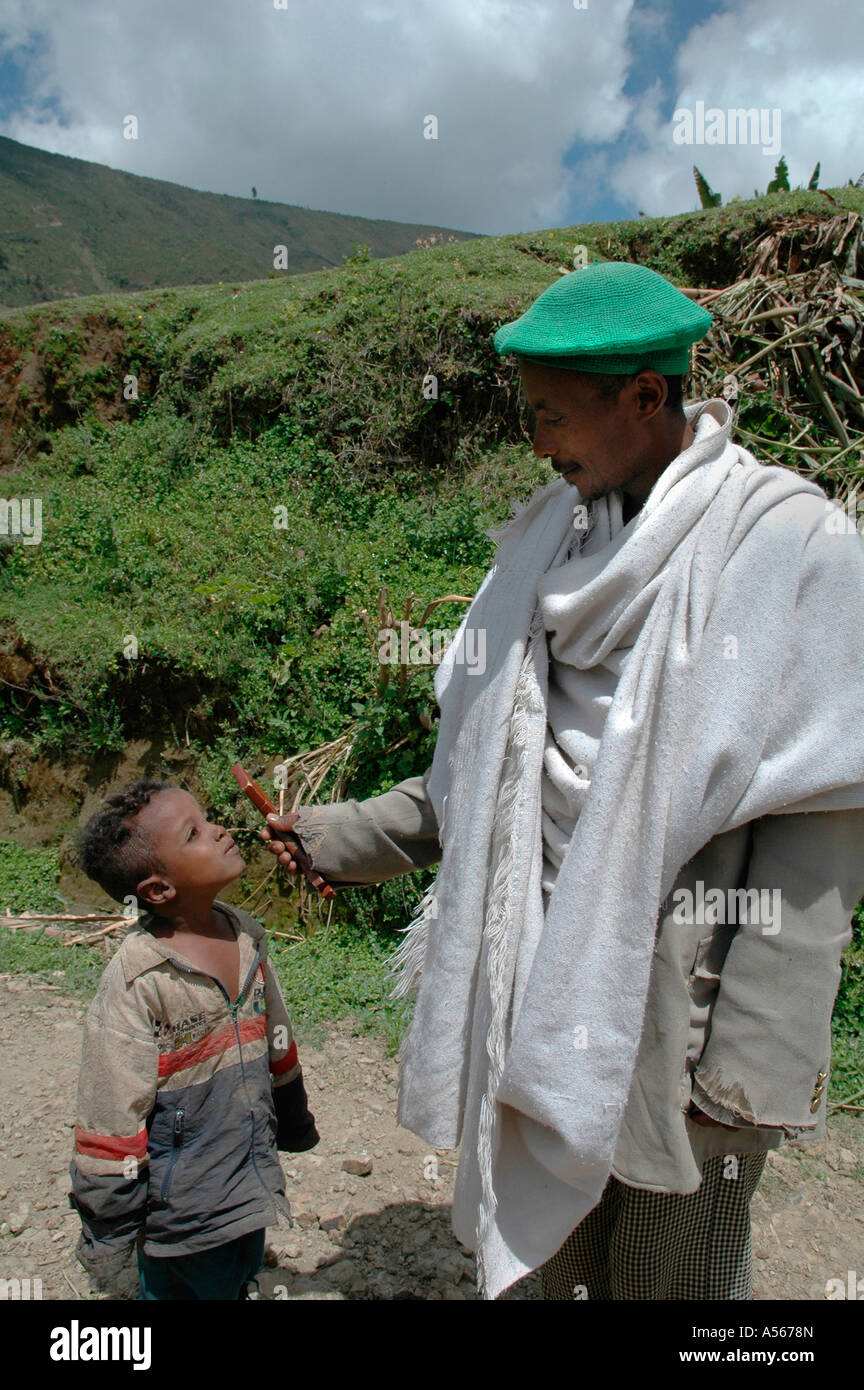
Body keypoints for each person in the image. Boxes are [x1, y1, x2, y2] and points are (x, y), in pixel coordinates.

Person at [262, 260, 864, 1302]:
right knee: (562, 1262)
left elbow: (821, 834)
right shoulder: (543, 550)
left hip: (689, 1008)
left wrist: (749, 1069)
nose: (537, 446)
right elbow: (485, 782)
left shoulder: (792, 550)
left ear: (645, 397)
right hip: (538, 988)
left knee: (680, 1271)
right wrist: (335, 836)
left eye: (551, 416)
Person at [69, 780, 319, 1301]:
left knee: (237, 1272)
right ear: (159, 890)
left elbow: (277, 1038)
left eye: (207, 820)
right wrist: (109, 1224)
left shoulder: (247, 936)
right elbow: (111, 1107)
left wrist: (291, 1116)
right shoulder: (141, 980)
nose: (219, 829)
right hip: (178, 1205)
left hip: (247, 1177)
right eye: (194, 833)